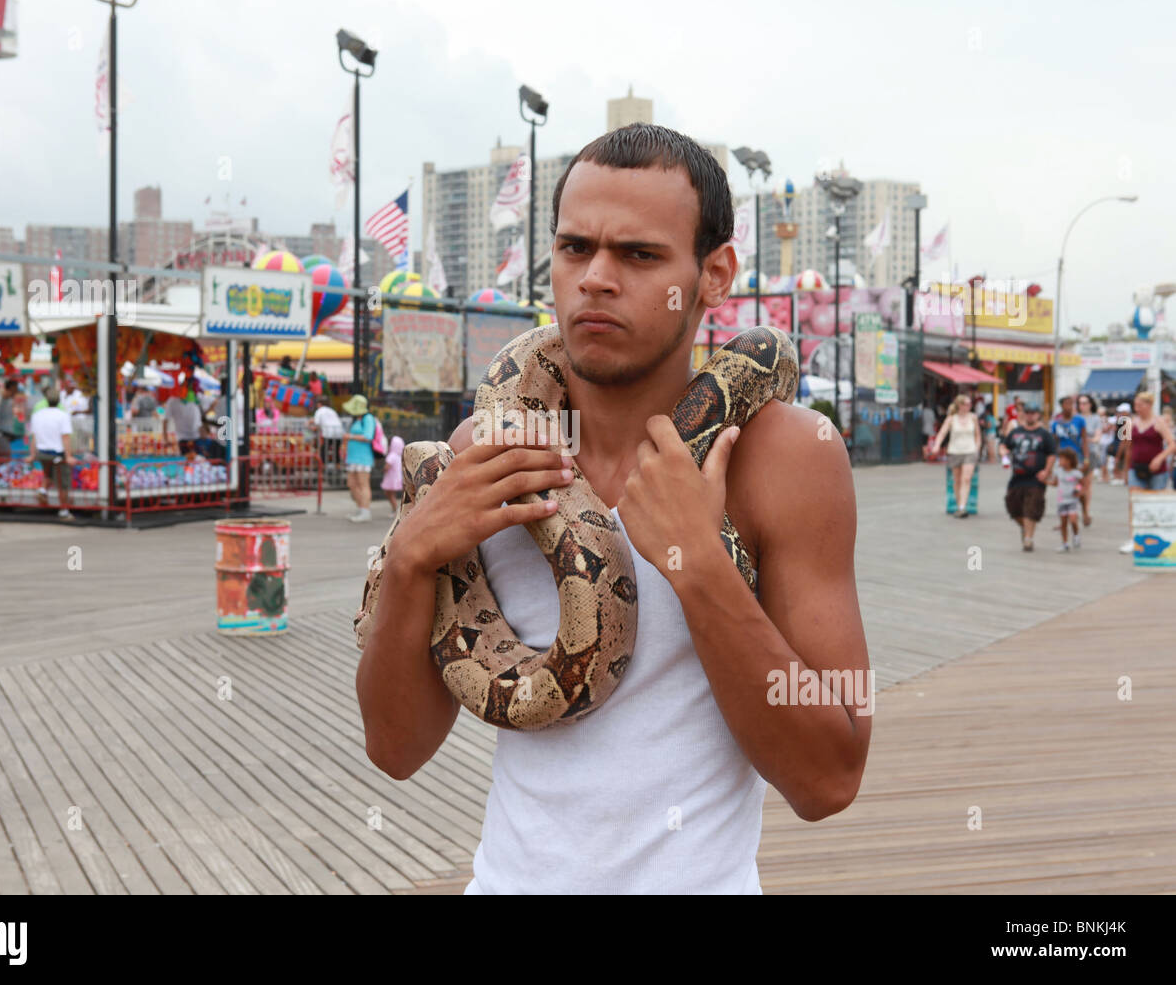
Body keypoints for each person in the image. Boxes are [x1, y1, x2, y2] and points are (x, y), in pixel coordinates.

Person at [356, 123, 870, 894]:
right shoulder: (484, 451)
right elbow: (396, 750)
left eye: (639, 255)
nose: (596, 278)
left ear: (714, 273)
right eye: (574, 249)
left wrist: (699, 567)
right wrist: (408, 561)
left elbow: (829, 780)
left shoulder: (787, 457)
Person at [1001, 402, 1057, 551]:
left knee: (1031, 508)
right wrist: (1004, 454)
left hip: (1036, 478)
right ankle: (1025, 528)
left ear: (1038, 415)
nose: (1030, 415)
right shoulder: (1016, 432)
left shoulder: (1044, 434)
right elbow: (1005, 445)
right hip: (1017, 477)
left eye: (1033, 413)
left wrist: (1046, 471)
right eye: (1028, 413)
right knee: (1013, 508)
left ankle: (1028, 539)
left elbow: (1052, 454)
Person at [28, 385, 75, 519]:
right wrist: (69, 455)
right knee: (63, 483)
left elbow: (34, 438)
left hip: (42, 453)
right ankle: (64, 510)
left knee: (48, 474)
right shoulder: (62, 415)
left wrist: (32, 455)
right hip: (58, 454)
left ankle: (42, 490)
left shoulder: (37, 415)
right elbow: (65, 437)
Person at [930, 393, 979, 517]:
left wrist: (977, 448)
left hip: (970, 451)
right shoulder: (951, 418)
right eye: (966, 404)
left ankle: (963, 507)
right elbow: (942, 433)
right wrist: (937, 445)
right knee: (957, 480)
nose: (969, 406)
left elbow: (978, 435)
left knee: (966, 479)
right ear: (960, 405)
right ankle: (958, 506)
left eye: (970, 404)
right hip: (954, 451)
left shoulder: (973, 417)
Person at [1125, 391, 1174, 489]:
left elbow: (1172, 445)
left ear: (1149, 405)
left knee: (1154, 502)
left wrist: (1159, 458)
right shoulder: (1131, 422)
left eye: (1140, 405)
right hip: (1135, 468)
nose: (1137, 409)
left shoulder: (1159, 422)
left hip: (1157, 471)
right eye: (1135, 405)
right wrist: (1126, 470)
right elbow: (1128, 448)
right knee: (1136, 500)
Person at [341, 394, 376, 522]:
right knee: (351, 484)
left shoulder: (368, 418)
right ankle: (361, 509)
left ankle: (365, 511)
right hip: (353, 457)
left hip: (363, 457)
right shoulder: (358, 419)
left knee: (363, 484)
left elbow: (368, 436)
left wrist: (349, 437)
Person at [1048, 447, 1084, 552]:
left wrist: (1078, 490)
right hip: (1061, 501)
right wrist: (1045, 481)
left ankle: (1076, 535)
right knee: (1063, 522)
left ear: (1069, 460)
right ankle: (1065, 543)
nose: (1060, 461)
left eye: (1062, 459)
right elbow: (1055, 483)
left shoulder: (1076, 473)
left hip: (1072, 501)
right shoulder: (1058, 472)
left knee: (1073, 520)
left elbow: (1081, 484)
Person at [1074, 393, 1102, 526]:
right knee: (1077, 482)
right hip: (1076, 453)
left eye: (1085, 403)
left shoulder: (1095, 418)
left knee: (1087, 483)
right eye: (1080, 403)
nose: (1082, 405)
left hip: (1090, 453)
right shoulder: (1076, 418)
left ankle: (1086, 510)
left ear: (1090, 404)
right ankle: (1079, 507)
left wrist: (1086, 439)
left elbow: (1097, 437)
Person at [164, 384, 203, 461]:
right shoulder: (173, 401)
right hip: (182, 438)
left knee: (198, 461)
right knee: (188, 461)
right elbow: (165, 420)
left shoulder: (195, 399)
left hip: (197, 436)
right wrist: (165, 439)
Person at [0, 378, 23, 464]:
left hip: (6, 436)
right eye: (15, 389)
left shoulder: (9, 400)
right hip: (0, 435)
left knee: (3, 460)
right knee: (4, 460)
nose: (16, 391)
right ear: (10, 388)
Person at [312, 395, 344, 470]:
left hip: (328, 433)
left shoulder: (319, 411)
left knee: (324, 450)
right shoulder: (332, 410)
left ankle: (322, 468)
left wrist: (312, 428)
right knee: (336, 450)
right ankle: (338, 467)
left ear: (319, 404)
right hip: (339, 432)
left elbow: (317, 423)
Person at [380, 433, 406, 514]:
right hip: (397, 477)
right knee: (392, 494)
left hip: (390, 478)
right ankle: (396, 509)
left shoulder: (391, 455)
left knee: (389, 494)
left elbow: (387, 466)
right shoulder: (399, 456)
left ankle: (395, 509)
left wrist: (383, 470)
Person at [1112, 402, 1132, 483]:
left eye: (1122, 412)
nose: (1120, 414)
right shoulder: (1124, 421)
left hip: (1130, 449)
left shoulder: (1128, 422)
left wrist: (1118, 455)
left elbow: (1125, 441)